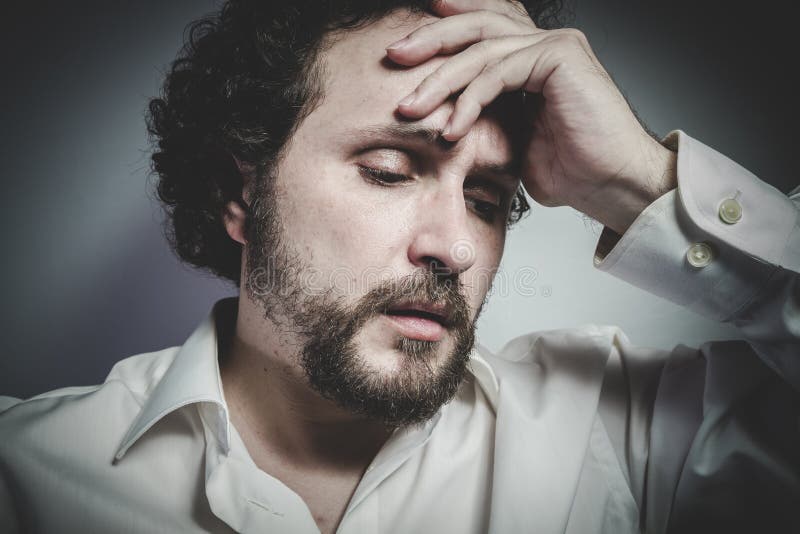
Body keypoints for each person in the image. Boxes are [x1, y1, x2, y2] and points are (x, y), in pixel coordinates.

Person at [1, 0, 797, 533]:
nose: (454, 247)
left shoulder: (622, 439)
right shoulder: (29, 476)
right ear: (235, 194)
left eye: (486, 198)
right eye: (388, 169)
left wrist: (638, 181)